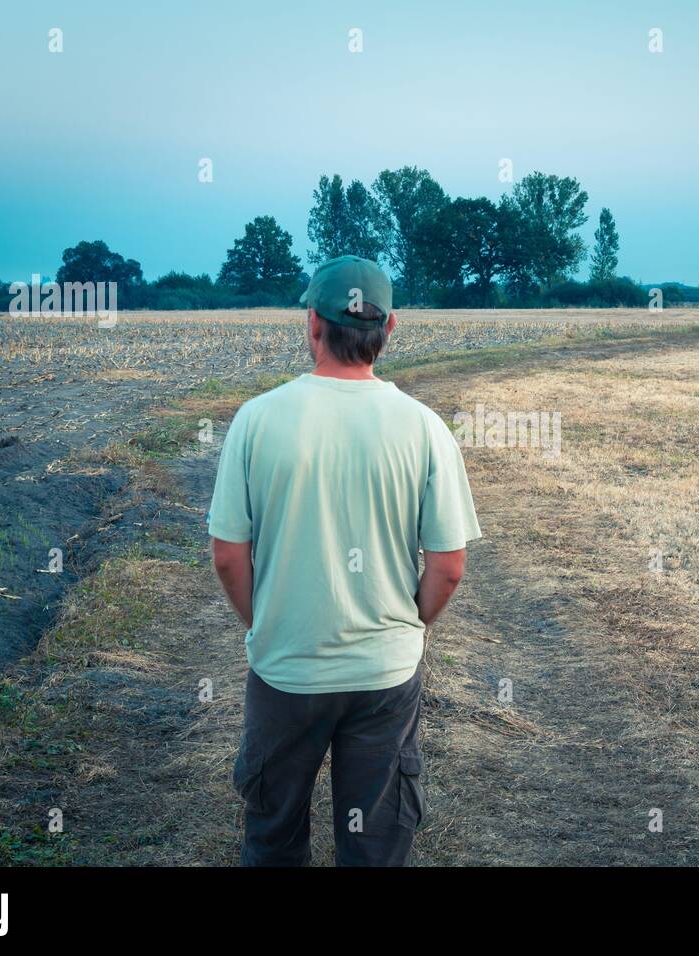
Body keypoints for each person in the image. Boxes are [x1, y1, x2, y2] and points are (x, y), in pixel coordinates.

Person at [207, 255, 481, 866]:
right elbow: (449, 565)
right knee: (375, 844)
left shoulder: (257, 420)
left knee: (274, 835)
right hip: (384, 674)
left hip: (286, 669)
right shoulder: (425, 427)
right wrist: (405, 623)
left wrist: (265, 621)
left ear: (312, 324)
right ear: (390, 330)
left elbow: (229, 556)